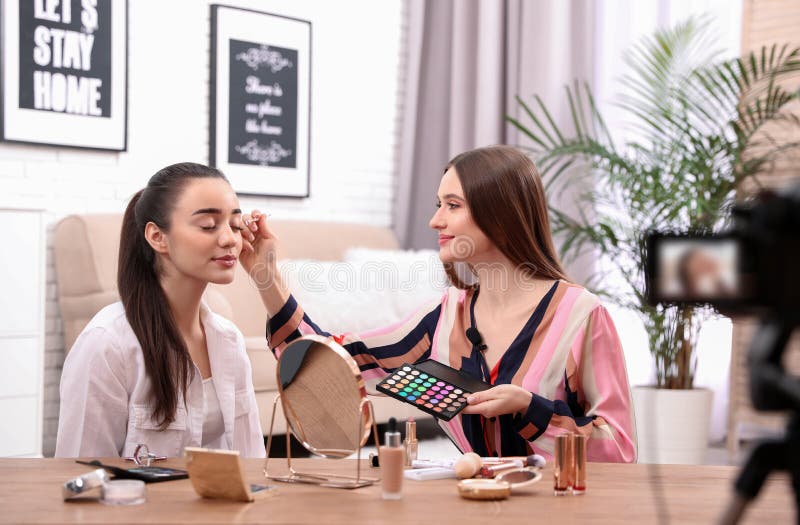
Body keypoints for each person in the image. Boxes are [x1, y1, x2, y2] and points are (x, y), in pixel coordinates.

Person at [241, 145, 636, 462]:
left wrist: (530, 410)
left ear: (500, 214)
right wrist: (267, 276)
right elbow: (326, 365)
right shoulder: (444, 319)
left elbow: (619, 447)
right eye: (438, 204)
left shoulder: (581, 318)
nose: (435, 221)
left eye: (452, 205)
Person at [55, 163, 264, 458]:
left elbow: (252, 461)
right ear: (157, 237)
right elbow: (81, 471)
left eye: (236, 225)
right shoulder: (107, 345)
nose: (230, 238)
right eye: (208, 225)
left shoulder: (229, 341)